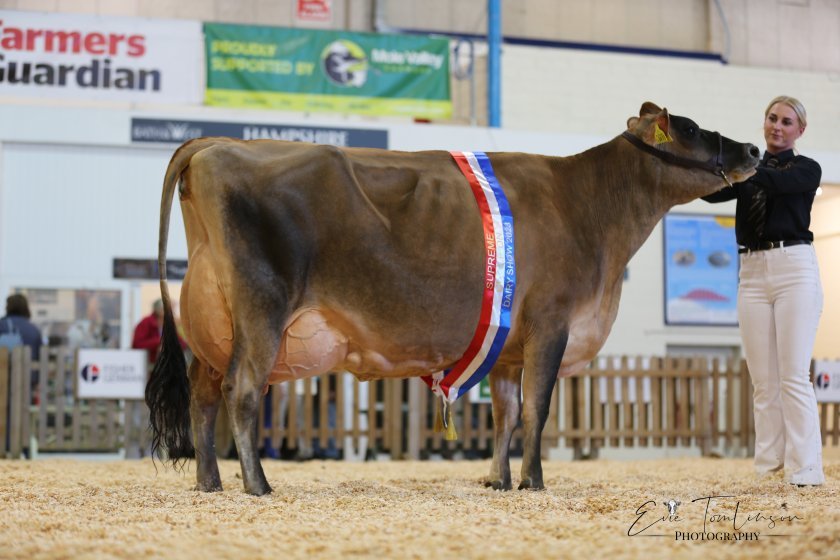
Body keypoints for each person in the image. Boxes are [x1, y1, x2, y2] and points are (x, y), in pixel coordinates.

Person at [703, 95, 824, 486]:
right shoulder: (750, 169)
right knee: (763, 381)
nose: (777, 126)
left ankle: (806, 469)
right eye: (772, 118)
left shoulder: (806, 169)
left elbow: (778, 183)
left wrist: (741, 167)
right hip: (751, 271)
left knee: (792, 376)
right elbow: (711, 191)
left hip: (795, 269)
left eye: (787, 122)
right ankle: (768, 468)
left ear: (799, 130)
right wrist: (699, 164)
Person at [0, 294, 43, 360]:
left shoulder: (2, 324)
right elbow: (39, 355)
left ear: (8, 307)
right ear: (26, 308)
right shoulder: (33, 329)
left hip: (4, 368)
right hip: (30, 369)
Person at [132, 299, 166, 364]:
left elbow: (178, 340)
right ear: (159, 310)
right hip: (147, 363)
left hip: (164, 363)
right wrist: (159, 342)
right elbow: (138, 344)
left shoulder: (169, 324)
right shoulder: (146, 322)